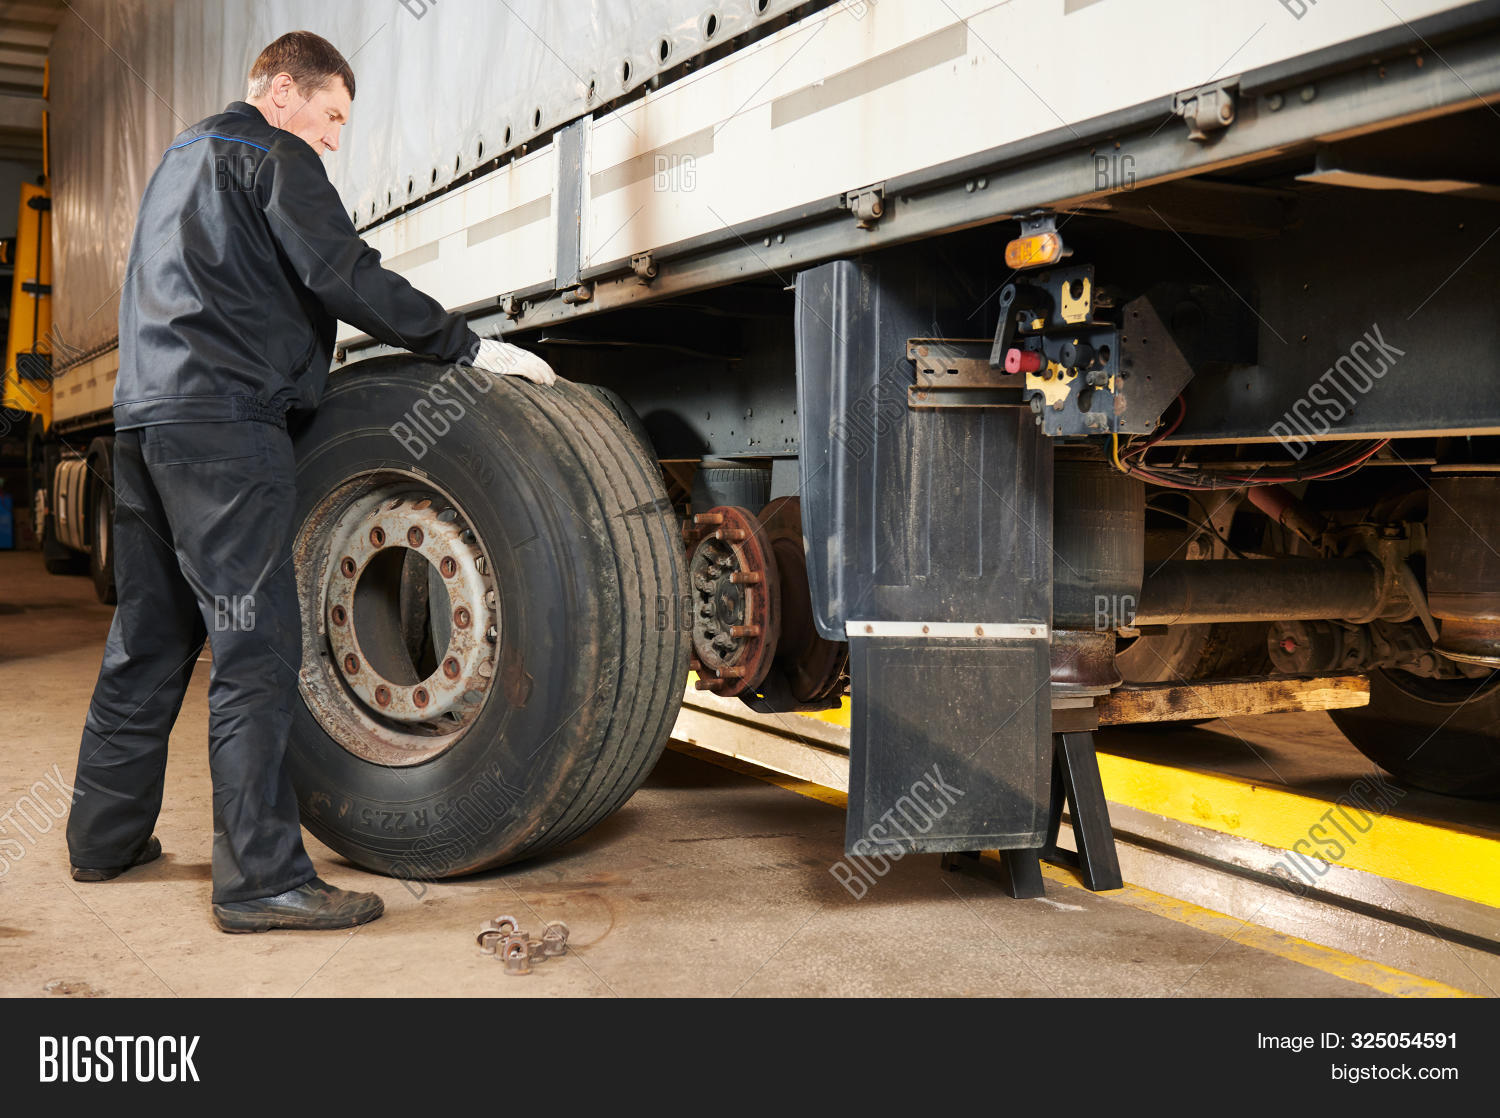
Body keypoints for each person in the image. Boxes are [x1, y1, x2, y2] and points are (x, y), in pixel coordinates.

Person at [64, 30, 553, 933]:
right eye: (331, 116)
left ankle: (103, 838)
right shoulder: (271, 153)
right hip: (223, 428)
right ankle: (259, 881)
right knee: (255, 651)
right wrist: (465, 343)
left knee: (149, 638)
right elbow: (342, 274)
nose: (333, 139)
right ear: (281, 90)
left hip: (142, 426)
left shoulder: (178, 159)